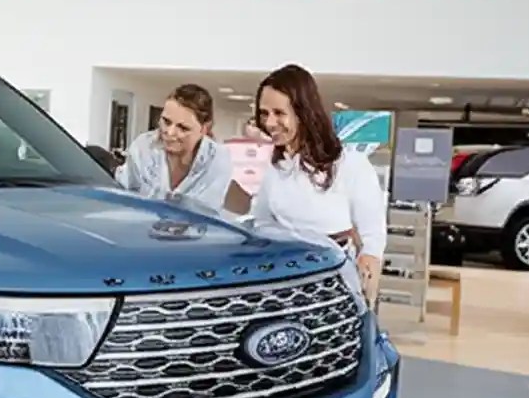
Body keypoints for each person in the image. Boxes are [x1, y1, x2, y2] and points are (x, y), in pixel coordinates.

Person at [250, 63, 387, 299]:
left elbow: (372, 232)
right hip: (281, 280)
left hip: (333, 282)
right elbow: (262, 220)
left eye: (279, 113)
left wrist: (369, 263)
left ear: (304, 113)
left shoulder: (349, 164)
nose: (270, 123)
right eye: (264, 113)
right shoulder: (275, 168)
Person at [115, 84, 233, 211]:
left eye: (183, 128)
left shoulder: (217, 160)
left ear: (204, 129)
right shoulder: (143, 147)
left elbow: (205, 213)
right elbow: (124, 197)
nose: (170, 132)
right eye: (166, 121)